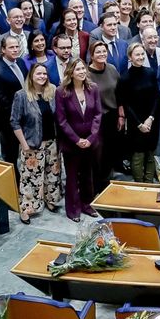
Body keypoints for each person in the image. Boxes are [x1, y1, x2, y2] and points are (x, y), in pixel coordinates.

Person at [10, 63, 60, 224]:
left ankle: (50, 200)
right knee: (30, 178)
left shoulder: (52, 91)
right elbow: (15, 122)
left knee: (52, 174)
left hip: (52, 142)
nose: (42, 76)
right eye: (38, 73)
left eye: (44, 74)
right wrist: (24, 144)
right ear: (31, 75)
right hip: (32, 144)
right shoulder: (22, 95)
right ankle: (26, 209)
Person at [55, 58, 102, 222]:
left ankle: (87, 205)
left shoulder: (93, 88)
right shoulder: (61, 91)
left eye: (83, 69)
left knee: (87, 175)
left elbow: (97, 114)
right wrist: (76, 140)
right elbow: (61, 121)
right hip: (71, 143)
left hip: (90, 141)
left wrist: (90, 138)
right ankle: (73, 209)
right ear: (71, 73)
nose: (82, 72)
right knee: (73, 176)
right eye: (78, 69)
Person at [118, 42, 160, 182]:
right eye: (137, 54)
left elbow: (156, 97)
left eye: (142, 54)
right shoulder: (125, 78)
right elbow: (126, 104)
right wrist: (139, 124)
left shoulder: (150, 72)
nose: (141, 57)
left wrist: (151, 118)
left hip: (151, 119)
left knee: (151, 154)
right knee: (138, 156)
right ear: (130, 57)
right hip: (136, 122)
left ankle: (149, 182)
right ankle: (139, 184)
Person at [0, 35, 29, 166]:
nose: (15, 50)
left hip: (27, 115)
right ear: (3, 50)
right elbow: (3, 103)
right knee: (11, 155)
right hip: (10, 119)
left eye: (17, 47)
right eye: (11, 47)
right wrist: (18, 115)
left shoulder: (21, 63)